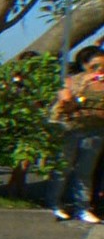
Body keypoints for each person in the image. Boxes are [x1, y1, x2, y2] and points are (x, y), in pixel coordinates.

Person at [49, 45, 104, 224]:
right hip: (71, 129)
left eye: (102, 66)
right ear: (84, 65)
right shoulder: (74, 82)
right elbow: (66, 107)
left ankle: (83, 207)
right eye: (94, 66)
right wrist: (70, 98)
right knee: (63, 168)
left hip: (96, 131)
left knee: (85, 171)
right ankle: (55, 203)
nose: (99, 70)